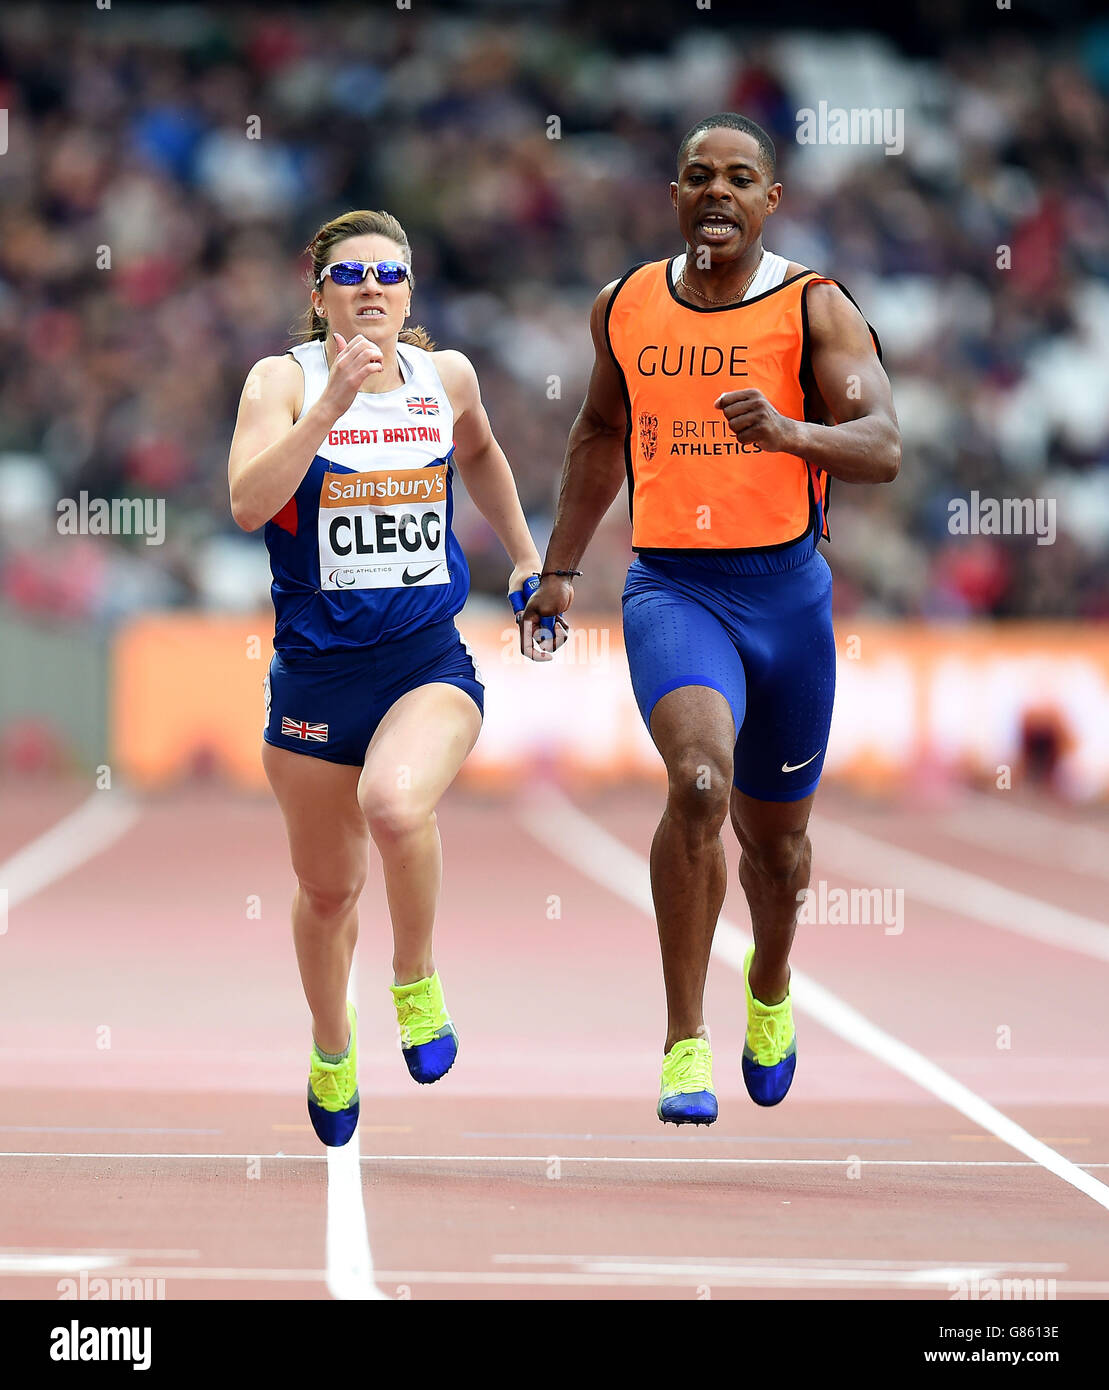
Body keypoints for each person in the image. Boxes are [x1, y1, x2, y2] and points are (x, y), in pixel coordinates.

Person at [522, 114, 901, 1125]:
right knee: (696, 781)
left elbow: (881, 444)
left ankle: (769, 985)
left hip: (785, 598)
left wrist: (789, 431)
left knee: (775, 852)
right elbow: (600, 429)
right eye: (697, 176)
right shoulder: (626, 304)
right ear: (675, 197)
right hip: (673, 590)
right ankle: (683, 1040)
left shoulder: (813, 308)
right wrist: (558, 566)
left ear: (769, 202)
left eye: (739, 177)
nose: (717, 191)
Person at [229, 210, 549, 1146]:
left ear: (410, 290)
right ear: (318, 291)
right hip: (317, 681)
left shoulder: (444, 378)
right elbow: (250, 502)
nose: (371, 285)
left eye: (390, 272)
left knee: (398, 807)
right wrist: (329, 407)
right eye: (350, 272)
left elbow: (482, 452)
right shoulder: (280, 381)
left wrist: (527, 559)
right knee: (327, 894)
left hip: (426, 661)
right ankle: (334, 1045)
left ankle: (415, 981)